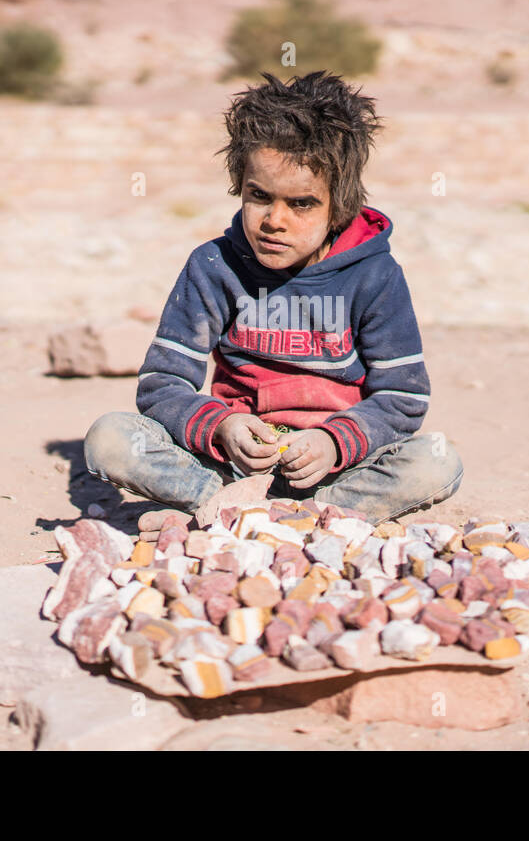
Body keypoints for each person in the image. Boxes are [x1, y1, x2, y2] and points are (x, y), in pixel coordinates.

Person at [83, 70, 461, 524]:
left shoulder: (374, 275)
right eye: (258, 196)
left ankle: (295, 515)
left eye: (301, 203)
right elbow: (163, 384)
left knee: (437, 461)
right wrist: (222, 427)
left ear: (339, 205)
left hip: (335, 467)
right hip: (230, 465)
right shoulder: (214, 267)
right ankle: (243, 508)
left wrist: (335, 442)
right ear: (239, 188)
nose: (273, 220)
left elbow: (402, 395)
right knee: (111, 438)